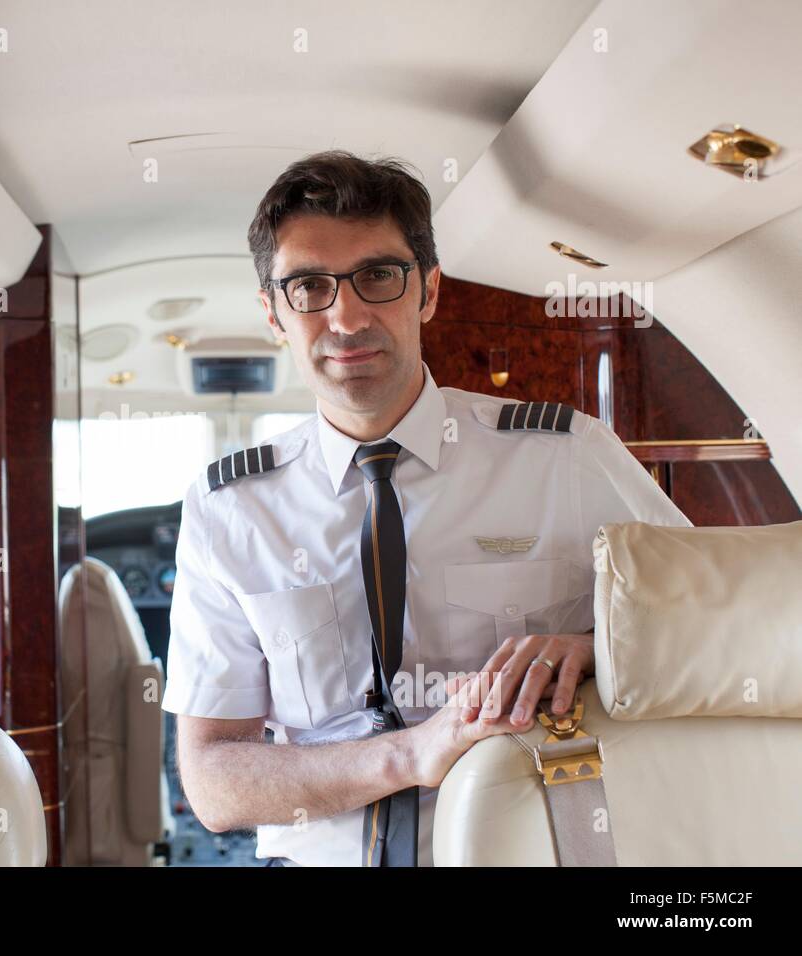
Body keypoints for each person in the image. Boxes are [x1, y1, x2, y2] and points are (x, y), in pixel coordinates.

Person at [161, 150, 692, 867]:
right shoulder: (229, 508)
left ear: (429, 291)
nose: (346, 316)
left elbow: (717, 631)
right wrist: (412, 753)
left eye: (378, 277)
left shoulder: (566, 456)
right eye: (309, 286)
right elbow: (216, 782)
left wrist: (600, 652)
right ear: (274, 313)